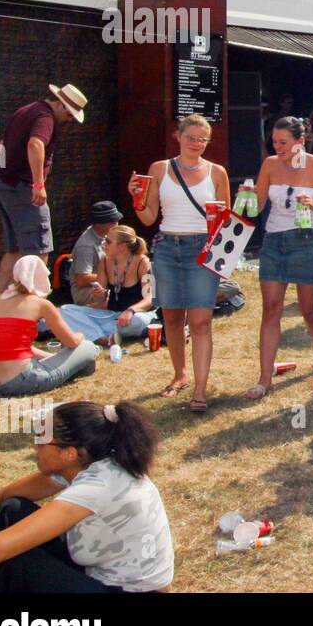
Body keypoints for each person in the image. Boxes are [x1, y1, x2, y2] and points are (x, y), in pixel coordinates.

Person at [0, 401, 173, 593]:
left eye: (42, 438)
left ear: (69, 454)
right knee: (11, 510)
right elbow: (2, 496)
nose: (34, 444)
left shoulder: (97, 487)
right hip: (101, 577)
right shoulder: (91, 463)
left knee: (6, 561)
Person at [130, 113, 230, 412]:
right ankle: (180, 375)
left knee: (200, 321)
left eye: (203, 139)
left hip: (202, 248)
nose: (197, 144)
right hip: (167, 246)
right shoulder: (159, 169)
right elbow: (148, 217)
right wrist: (136, 197)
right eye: (191, 137)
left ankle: (200, 390)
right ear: (178, 136)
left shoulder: (217, 172)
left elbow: (225, 220)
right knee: (172, 318)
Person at [252, 116, 313, 398]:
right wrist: (246, 197)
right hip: (275, 240)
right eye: (274, 142)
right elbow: (256, 206)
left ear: (299, 141)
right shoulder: (269, 164)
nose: (277, 147)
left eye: (283, 142)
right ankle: (265, 378)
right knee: (271, 308)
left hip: (308, 239)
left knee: (308, 309)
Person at [0, 84, 88, 296]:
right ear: (61, 104)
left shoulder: (27, 109)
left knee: (14, 250)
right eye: (70, 114)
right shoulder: (46, 117)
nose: (69, 120)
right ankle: (29, 309)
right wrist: (38, 184)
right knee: (38, 250)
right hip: (22, 187)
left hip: (5, 182)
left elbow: (2, 142)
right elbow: (35, 144)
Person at [0, 256, 99, 396]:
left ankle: (71, 366)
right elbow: (72, 342)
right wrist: (80, 335)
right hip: (21, 381)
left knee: (65, 358)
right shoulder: (41, 304)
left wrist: (53, 357)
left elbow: (11, 346)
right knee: (87, 347)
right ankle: (76, 368)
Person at [57, 226, 156, 344]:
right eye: (104, 240)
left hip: (136, 315)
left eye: (108, 241)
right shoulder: (104, 261)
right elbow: (101, 298)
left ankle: (92, 331)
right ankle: (104, 337)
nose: (104, 244)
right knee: (64, 310)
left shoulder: (142, 262)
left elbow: (151, 298)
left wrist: (131, 311)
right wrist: (99, 295)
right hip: (112, 316)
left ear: (122, 245)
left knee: (137, 321)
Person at [67, 201, 123, 308]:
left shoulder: (107, 237)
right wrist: (114, 277)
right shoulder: (86, 247)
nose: (117, 224)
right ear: (99, 224)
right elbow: (81, 279)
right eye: (113, 222)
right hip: (88, 292)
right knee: (122, 296)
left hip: (108, 285)